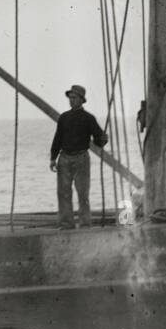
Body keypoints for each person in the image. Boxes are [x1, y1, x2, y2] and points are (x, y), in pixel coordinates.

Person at [49, 84, 109, 230]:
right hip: (64, 158)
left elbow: (99, 138)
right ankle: (66, 224)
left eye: (74, 98)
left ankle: (85, 223)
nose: (71, 100)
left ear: (82, 100)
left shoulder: (89, 118)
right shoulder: (64, 118)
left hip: (81, 158)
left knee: (83, 193)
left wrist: (101, 140)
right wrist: (53, 157)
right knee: (63, 192)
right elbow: (57, 139)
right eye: (70, 98)